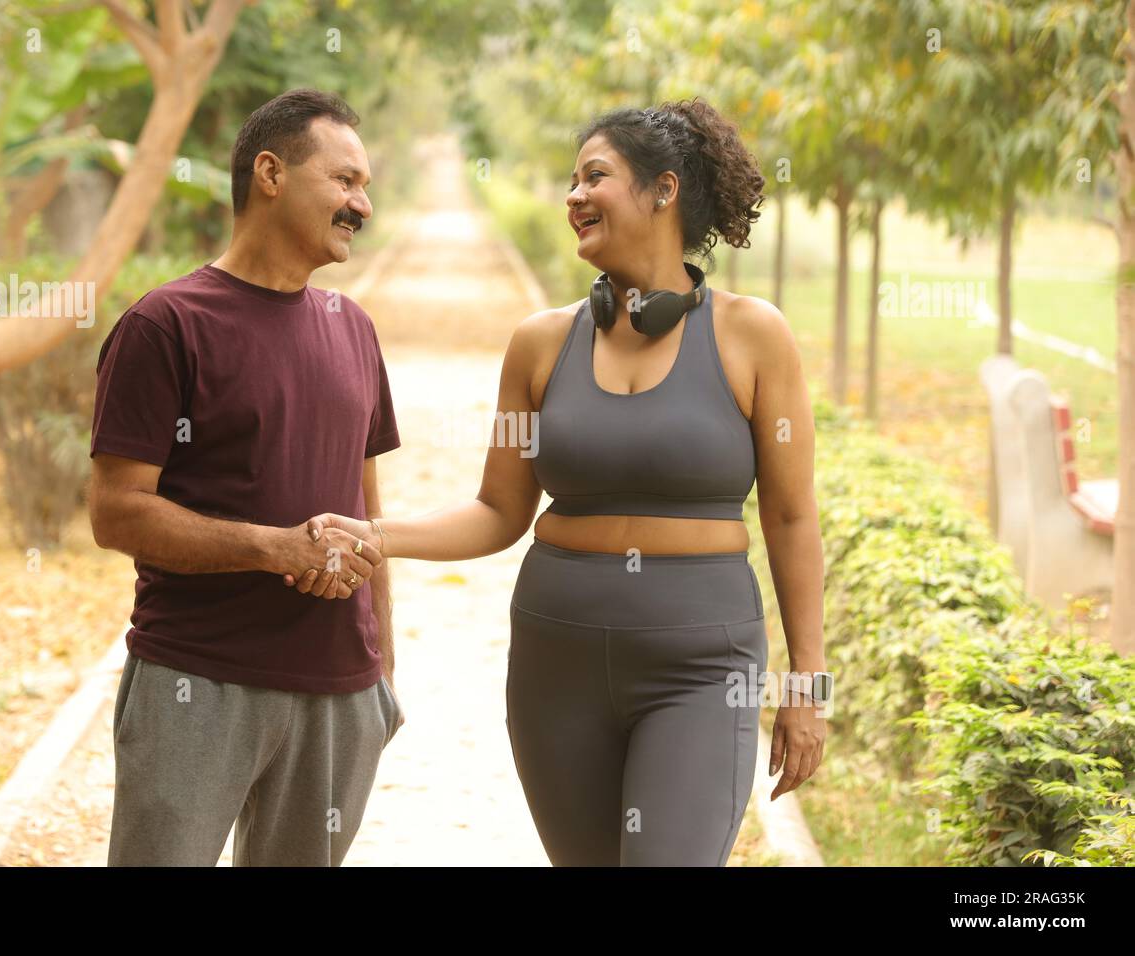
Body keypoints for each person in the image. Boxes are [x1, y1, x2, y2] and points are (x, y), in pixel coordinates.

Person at [288, 98, 829, 866]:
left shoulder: (754, 335)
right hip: (555, 662)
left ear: (664, 190)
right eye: (570, 180)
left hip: (703, 669)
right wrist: (379, 536)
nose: (573, 196)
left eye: (594, 177)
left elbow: (793, 517)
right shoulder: (538, 346)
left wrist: (811, 685)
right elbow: (498, 508)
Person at [89, 88, 400, 866]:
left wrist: (382, 674)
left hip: (338, 692)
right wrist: (276, 548)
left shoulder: (352, 329)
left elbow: (369, 510)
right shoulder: (166, 325)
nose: (361, 204)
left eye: (365, 187)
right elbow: (116, 512)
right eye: (345, 180)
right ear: (270, 172)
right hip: (197, 683)